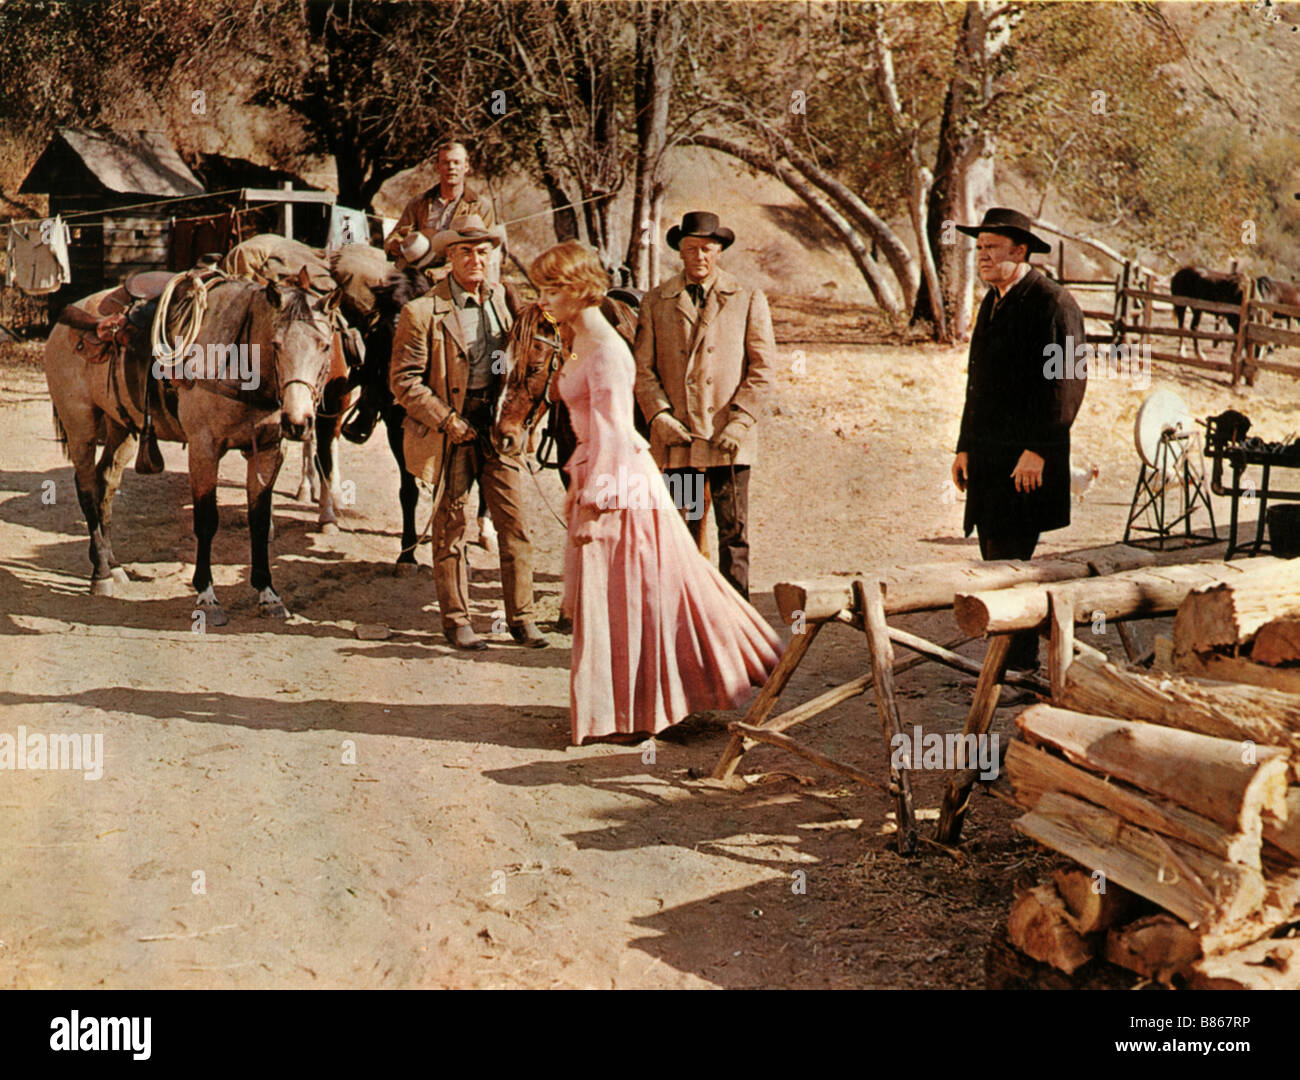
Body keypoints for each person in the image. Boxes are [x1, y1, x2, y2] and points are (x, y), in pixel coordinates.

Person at [531, 241, 784, 744]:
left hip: (620, 481)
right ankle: (626, 708)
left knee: (636, 594)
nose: (543, 299)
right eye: (542, 289)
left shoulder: (604, 348)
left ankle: (643, 710)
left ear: (581, 291)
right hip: (603, 471)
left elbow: (615, 431)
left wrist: (599, 500)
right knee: (627, 595)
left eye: (553, 289)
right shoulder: (581, 337)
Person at [389, 215, 544, 650]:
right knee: (451, 527)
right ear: (449, 257)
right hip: (450, 429)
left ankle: (522, 618)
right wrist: (446, 419)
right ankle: (457, 621)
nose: (475, 260)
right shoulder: (421, 312)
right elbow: (404, 381)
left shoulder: (504, 298)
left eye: (482, 252)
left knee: (514, 524)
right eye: (465, 252)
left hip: (498, 426)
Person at [951, 207, 1087, 674]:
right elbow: (977, 384)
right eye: (980, 248)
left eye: (992, 249)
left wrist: (1039, 450)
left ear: (1020, 250)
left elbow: (1066, 383)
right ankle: (1007, 660)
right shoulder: (993, 301)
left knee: (1015, 566)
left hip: (1026, 461)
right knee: (995, 559)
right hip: (988, 459)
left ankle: (1021, 668)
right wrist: (963, 445)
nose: (983, 257)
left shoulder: (1052, 302)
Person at [633, 211, 775, 601]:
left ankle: (738, 622)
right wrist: (659, 416)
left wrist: (739, 422)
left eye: (708, 249)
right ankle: (682, 618)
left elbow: (763, 370)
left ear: (720, 251)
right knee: (680, 533)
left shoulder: (747, 298)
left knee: (734, 536)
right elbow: (642, 371)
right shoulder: (657, 301)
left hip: (728, 443)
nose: (699, 256)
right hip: (680, 444)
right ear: (679, 251)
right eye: (691, 248)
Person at [384, 140, 500, 279]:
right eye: (446, 162)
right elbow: (397, 234)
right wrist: (395, 245)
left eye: (456, 162)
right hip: (415, 271)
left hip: (459, 274)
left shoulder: (480, 206)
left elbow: (484, 250)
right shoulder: (419, 202)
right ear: (437, 167)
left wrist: (442, 273)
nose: (451, 167)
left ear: (466, 167)